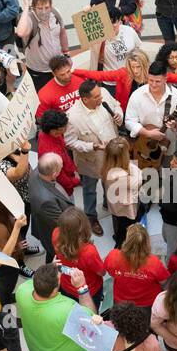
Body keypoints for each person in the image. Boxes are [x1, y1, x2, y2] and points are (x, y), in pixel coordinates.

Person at [66, 79, 125, 236]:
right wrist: (92, 147)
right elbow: (70, 141)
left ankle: (108, 203)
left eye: (100, 94)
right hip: (90, 160)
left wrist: (119, 115)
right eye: (97, 97)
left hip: (112, 155)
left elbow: (117, 105)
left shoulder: (104, 93)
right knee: (90, 189)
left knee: (110, 181)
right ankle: (91, 217)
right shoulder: (72, 117)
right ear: (86, 99)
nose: (101, 98)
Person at [15, 0, 69, 92]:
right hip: (39, 71)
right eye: (40, 8)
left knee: (61, 93)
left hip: (57, 66)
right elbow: (21, 32)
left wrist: (66, 54)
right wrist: (26, 6)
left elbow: (62, 33)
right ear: (34, 8)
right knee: (44, 97)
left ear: (51, 6)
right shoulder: (30, 19)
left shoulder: (55, 14)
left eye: (47, 7)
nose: (44, 11)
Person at [52, 207, 106, 307]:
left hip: (66, 286)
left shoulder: (55, 234)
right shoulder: (89, 251)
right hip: (89, 290)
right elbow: (101, 272)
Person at [106, 223, 169, 306]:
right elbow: (164, 282)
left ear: (127, 240)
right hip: (148, 304)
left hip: (122, 303)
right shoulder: (154, 262)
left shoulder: (113, 256)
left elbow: (110, 272)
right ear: (147, 242)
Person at [27, 152, 74, 262]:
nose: (62, 168)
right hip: (53, 235)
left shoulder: (37, 171)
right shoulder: (46, 201)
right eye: (61, 167)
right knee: (54, 256)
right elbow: (62, 222)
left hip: (44, 223)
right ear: (54, 174)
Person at [102, 137, 142, 247]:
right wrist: (134, 168)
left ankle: (119, 237)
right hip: (126, 209)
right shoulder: (120, 175)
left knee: (118, 223)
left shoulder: (106, 167)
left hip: (115, 207)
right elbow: (138, 181)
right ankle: (122, 245)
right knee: (126, 230)